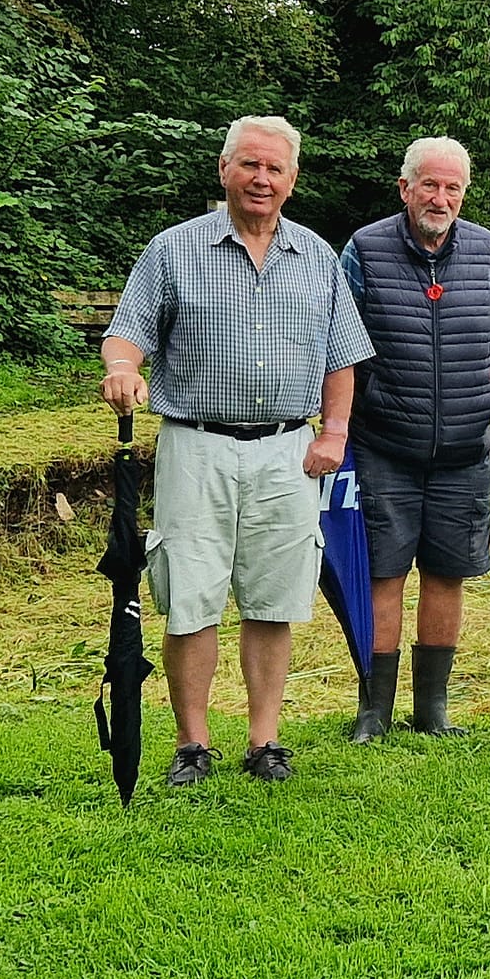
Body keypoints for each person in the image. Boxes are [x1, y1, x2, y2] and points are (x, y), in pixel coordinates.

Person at [99, 116, 374, 786]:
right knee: (189, 595)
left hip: (287, 451)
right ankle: (193, 743)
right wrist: (123, 368)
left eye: (274, 168)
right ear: (224, 170)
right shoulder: (172, 250)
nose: (261, 178)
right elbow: (125, 334)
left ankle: (264, 741)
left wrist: (334, 432)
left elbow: (342, 359)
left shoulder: (318, 258)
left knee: (274, 599)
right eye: (249, 164)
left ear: (292, 180)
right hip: (195, 447)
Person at [338, 137, 490, 741]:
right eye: (429, 185)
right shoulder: (364, 249)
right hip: (384, 446)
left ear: (463, 194)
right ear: (405, 188)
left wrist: (483, 400)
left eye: (452, 188)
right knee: (383, 575)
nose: (440, 198)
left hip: (465, 455)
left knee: (447, 574)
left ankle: (432, 710)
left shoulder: (486, 248)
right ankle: (374, 710)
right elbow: (339, 346)